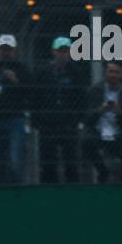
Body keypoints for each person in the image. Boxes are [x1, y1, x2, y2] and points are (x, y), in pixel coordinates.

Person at [33, 36, 85, 184]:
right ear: (53, 52)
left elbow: (81, 97)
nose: (63, 54)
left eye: (65, 50)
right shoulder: (42, 72)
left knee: (71, 162)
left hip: (68, 124)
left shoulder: (76, 72)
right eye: (60, 50)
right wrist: (38, 120)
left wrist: (77, 118)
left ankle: (73, 191)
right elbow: (36, 96)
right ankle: (48, 191)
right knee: (48, 162)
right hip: (48, 124)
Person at [82, 62, 122, 183]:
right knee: (86, 142)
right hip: (98, 130)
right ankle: (103, 171)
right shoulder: (95, 90)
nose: (113, 75)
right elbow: (86, 118)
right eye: (111, 71)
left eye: (117, 72)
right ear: (105, 73)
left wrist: (119, 112)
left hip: (119, 132)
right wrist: (100, 111)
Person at [0, 34, 29, 184]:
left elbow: (30, 91)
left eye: (8, 49)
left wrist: (16, 81)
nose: (5, 52)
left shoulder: (21, 68)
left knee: (15, 158)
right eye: (3, 49)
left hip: (15, 117)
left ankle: (17, 191)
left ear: (14, 50)